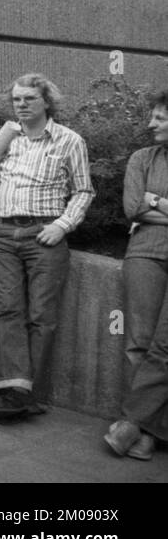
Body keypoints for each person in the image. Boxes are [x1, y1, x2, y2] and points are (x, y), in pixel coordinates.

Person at [0, 74, 94, 422]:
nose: (21, 104)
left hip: (44, 235)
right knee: (8, 311)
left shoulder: (69, 141)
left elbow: (83, 190)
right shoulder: (6, 139)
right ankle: (16, 391)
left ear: (46, 101)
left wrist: (62, 225)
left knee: (42, 317)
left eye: (29, 98)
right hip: (4, 234)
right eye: (16, 99)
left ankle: (30, 395)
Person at [104, 90, 168, 459]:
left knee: (165, 347)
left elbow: (145, 205)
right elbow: (132, 208)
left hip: (149, 242)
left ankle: (132, 424)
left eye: (160, 117)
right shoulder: (142, 158)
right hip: (145, 254)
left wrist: (155, 201)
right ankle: (144, 436)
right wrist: (147, 206)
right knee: (139, 343)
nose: (150, 124)